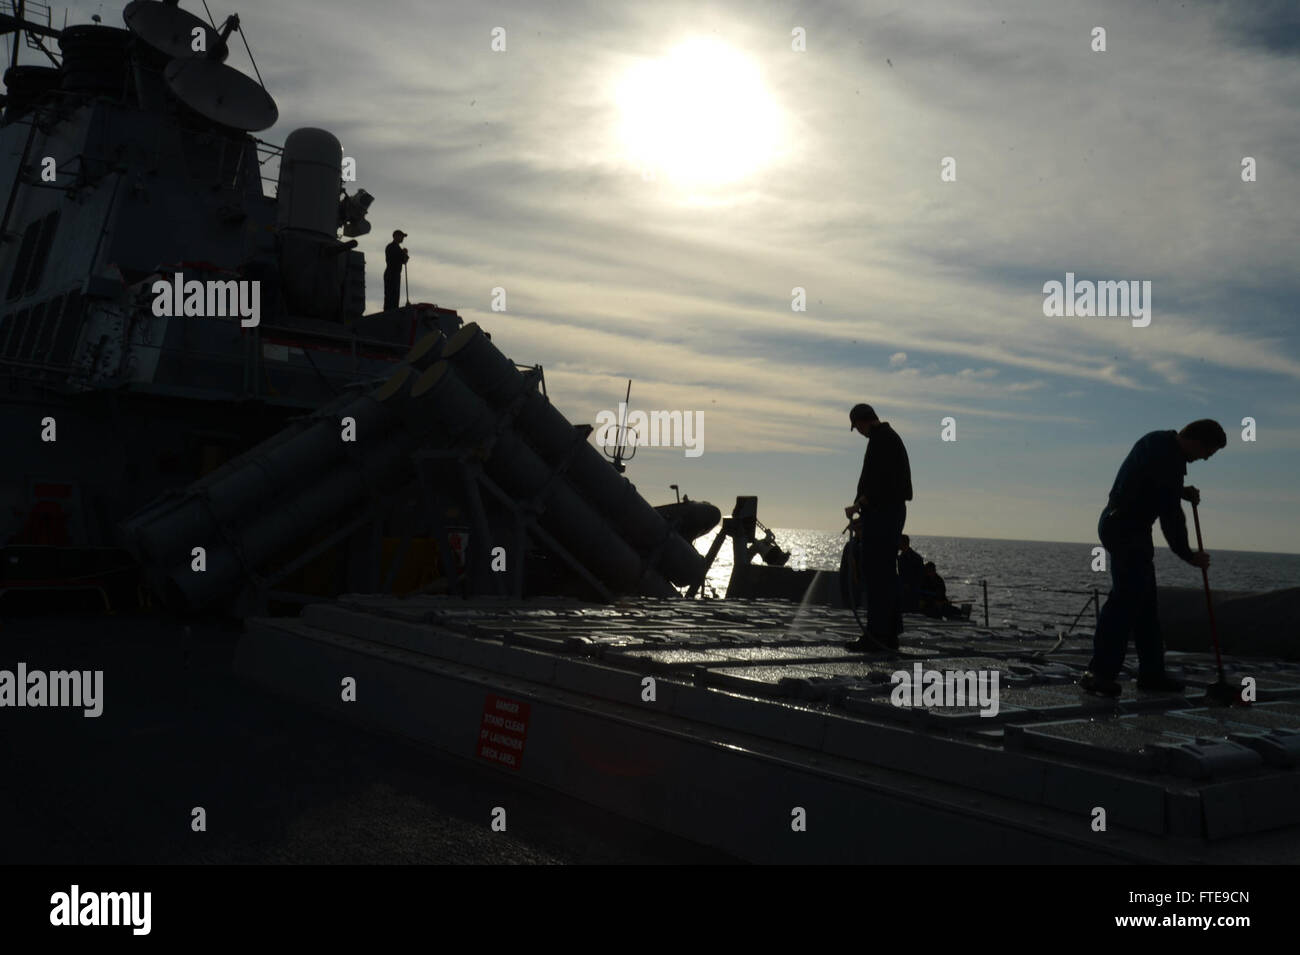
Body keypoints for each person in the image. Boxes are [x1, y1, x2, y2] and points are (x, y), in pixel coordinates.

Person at [1080, 419, 1226, 697]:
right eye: (1209, 452)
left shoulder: (1161, 443)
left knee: (1145, 604)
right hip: (1125, 529)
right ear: (1196, 441)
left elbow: (1151, 484)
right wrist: (1188, 555)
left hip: (1128, 527)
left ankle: (1151, 674)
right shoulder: (1167, 457)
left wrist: (1180, 490)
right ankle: (1098, 674)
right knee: (1125, 601)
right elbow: (1171, 518)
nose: (1206, 458)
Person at [844, 403, 912, 651]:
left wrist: (861, 504)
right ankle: (888, 635)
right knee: (885, 574)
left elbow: (882, 481)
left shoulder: (881, 440)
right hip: (887, 512)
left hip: (884, 512)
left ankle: (876, 636)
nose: (859, 432)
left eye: (857, 427)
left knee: (876, 574)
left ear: (863, 421)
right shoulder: (888, 438)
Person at [897, 534, 925, 612]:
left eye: (899, 542)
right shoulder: (901, 557)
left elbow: (920, 575)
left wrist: (910, 584)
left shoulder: (916, 558)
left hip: (912, 590)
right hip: (903, 590)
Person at [384, 229, 409, 311]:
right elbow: (400, 259)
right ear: (395, 236)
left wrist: (404, 254)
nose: (402, 238)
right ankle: (389, 311)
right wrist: (403, 253)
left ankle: (393, 310)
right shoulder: (391, 247)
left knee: (395, 295)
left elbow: (404, 261)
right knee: (391, 295)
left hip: (395, 274)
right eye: (401, 236)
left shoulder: (396, 247)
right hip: (391, 273)